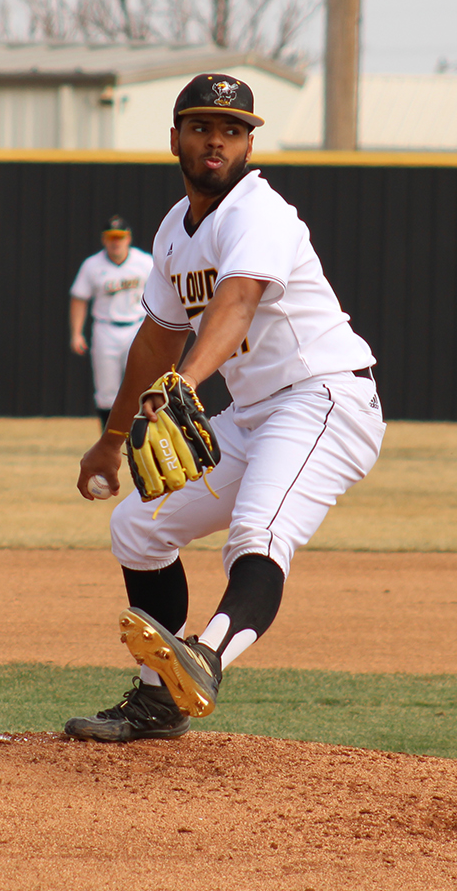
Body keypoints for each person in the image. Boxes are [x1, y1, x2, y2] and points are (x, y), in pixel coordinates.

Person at [65, 73, 386, 742]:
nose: (218, 141)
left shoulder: (256, 212)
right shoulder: (175, 233)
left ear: (248, 143)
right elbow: (156, 337)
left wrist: (184, 384)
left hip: (325, 396)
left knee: (258, 534)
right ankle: (161, 701)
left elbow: (237, 300)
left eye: (233, 130)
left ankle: (205, 660)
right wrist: (112, 435)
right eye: (204, 127)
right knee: (138, 527)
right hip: (255, 413)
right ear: (176, 137)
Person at [69, 216, 155, 429]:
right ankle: (107, 443)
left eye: (120, 237)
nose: (116, 242)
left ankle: (141, 438)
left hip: (136, 326)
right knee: (106, 391)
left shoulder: (144, 262)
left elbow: (161, 294)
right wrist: (76, 333)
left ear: (128, 238)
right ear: (104, 240)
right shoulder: (92, 265)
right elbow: (79, 298)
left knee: (143, 386)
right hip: (105, 328)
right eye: (111, 237)